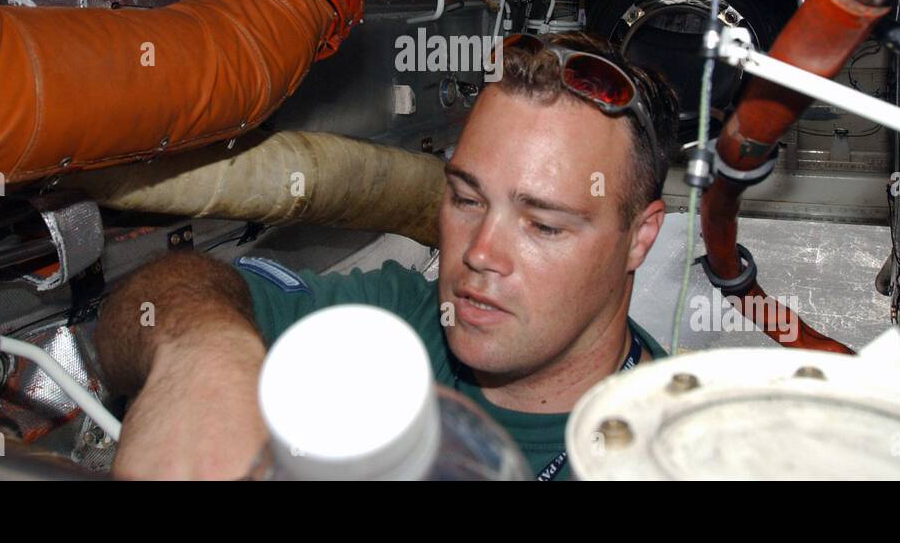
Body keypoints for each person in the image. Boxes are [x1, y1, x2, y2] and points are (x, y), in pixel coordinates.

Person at [94, 31, 679, 480]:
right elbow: (150, 301)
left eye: (544, 226)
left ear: (640, 237)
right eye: (466, 199)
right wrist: (202, 359)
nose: (479, 254)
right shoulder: (398, 321)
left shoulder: (678, 454)